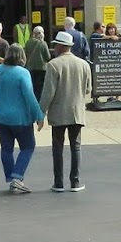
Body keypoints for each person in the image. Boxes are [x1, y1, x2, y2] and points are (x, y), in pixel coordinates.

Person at [0, 44, 45, 194]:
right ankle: (17, 178)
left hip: (0, 116)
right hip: (20, 118)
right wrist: (39, 115)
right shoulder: (23, 73)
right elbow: (29, 96)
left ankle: (10, 176)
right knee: (28, 146)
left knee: (6, 148)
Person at [41, 31, 92, 192]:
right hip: (76, 111)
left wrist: (41, 111)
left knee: (57, 147)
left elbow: (48, 92)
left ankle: (58, 183)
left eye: (56, 44)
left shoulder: (53, 65)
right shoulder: (84, 64)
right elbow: (88, 89)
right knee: (75, 147)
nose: (54, 47)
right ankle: (75, 182)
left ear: (61, 46)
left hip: (58, 112)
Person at [25, 25, 51, 99]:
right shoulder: (43, 43)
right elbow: (48, 57)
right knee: (40, 88)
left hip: (30, 68)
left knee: (32, 87)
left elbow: (25, 53)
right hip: (42, 69)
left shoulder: (28, 42)